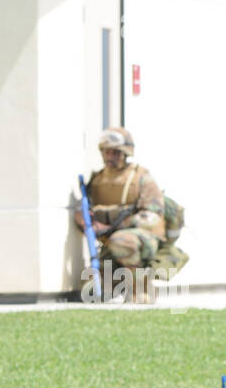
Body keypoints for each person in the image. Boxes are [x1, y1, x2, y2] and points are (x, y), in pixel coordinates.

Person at [73, 127, 177, 302]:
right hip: (110, 242)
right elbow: (87, 209)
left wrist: (117, 226)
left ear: (125, 153)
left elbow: (153, 216)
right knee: (91, 293)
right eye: (107, 152)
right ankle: (114, 283)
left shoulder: (140, 178)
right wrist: (83, 220)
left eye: (115, 153)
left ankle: (140, 288)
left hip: (141, 239)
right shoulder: (98, 180)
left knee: (122, 241)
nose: (110, 157)